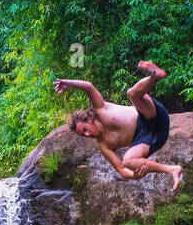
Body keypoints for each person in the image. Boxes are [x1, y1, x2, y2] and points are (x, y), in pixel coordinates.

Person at [53, 62, 182, 191]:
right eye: (83, 135)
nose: (88, 135)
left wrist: (68, 83)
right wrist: (135, 175)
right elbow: (122, 170)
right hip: (152, 138)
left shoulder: (100, 109)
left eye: (85, 130)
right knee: (128, 161)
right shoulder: (104, 145)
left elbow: (88, 86)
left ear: (90, 119)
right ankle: (172, 169)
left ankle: (155, 76)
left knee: (132, 93)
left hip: (152, 116)